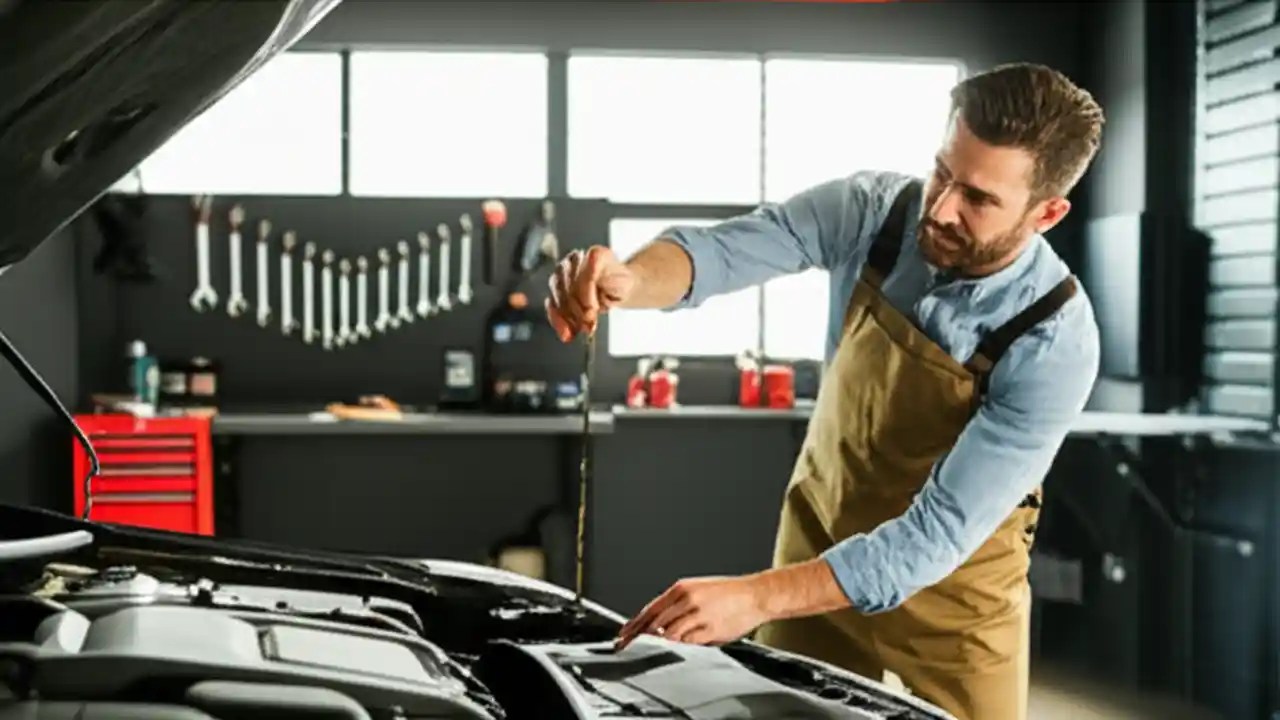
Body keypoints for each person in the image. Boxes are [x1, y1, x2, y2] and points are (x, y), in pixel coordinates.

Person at [544, 62, 1104, 720]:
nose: (943, 206)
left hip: (954, 607)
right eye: (942, 171)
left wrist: (752, 598)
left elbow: (934, 535)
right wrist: (630, 281)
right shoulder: (873, 213)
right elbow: (726, 252)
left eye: (978, 199)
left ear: (1048, 212)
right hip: (815, 558)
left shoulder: (1054, 338)